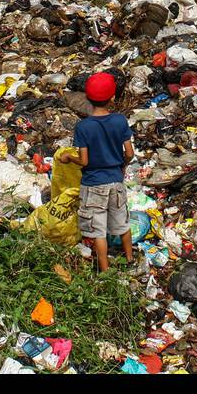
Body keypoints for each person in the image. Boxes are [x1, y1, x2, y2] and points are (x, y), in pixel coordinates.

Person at [58, 72, 134, 272]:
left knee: (98, 231)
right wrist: (122, 166)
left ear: (87, 98)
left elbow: (84, 160)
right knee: (122, 223)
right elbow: (129, 153)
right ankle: (130, 258)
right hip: (116, 181)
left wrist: (68, 158)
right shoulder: (120, 121)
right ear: (113, 98)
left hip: (93, 184)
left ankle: (105, 270)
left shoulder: (84, 127)